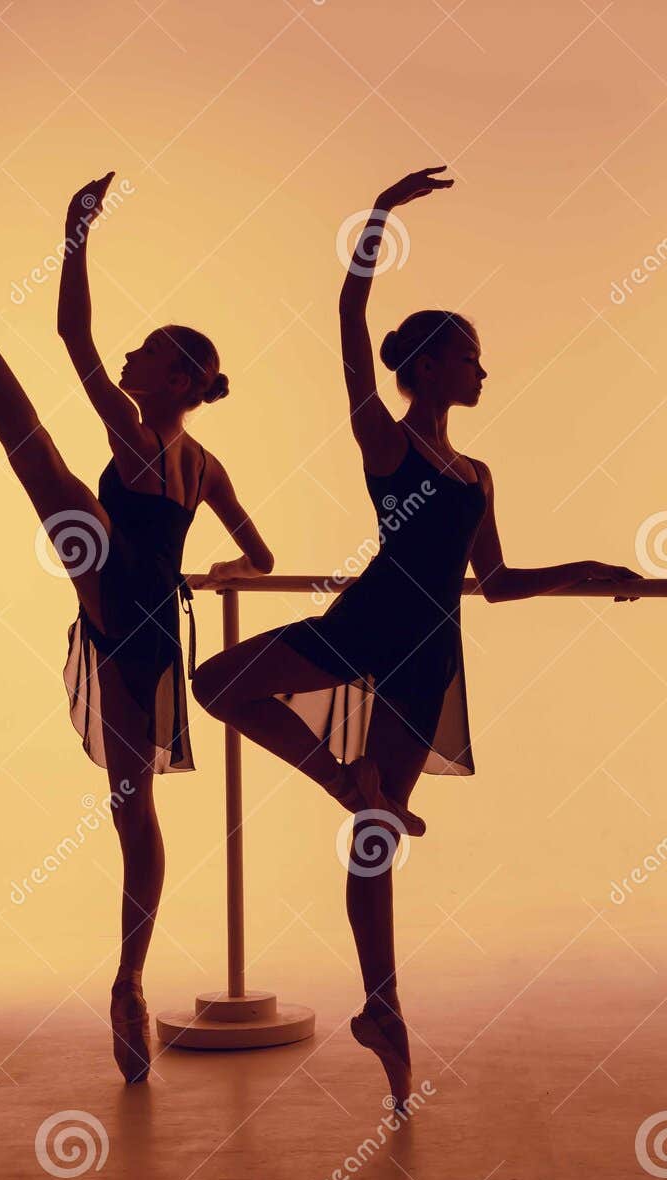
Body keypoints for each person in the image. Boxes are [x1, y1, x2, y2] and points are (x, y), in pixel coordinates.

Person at [193, 166, 641, 1110]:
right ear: (430, 365)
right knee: (218, 681)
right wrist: (381, 217)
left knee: (372, 839)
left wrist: (590, 573)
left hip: (428, 651)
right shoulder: (386, 442)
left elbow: (499, 583)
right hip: (367, 619)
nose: (485, 370)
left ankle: (382, 1010)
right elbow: (349, 325)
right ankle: (342, 779)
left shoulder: (478, 472)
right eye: (472, 355)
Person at [0, 175, 275, 1084]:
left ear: (177, 378)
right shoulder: (205, 463)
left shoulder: (141, 439)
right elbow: (258, 553)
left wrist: (75, 234)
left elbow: (70, 339)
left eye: (146, 353)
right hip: (144, 625)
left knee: (38, 457)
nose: (128, 356)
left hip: (121, 600)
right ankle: (129, 984)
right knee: (134, 817)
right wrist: (223, 574)